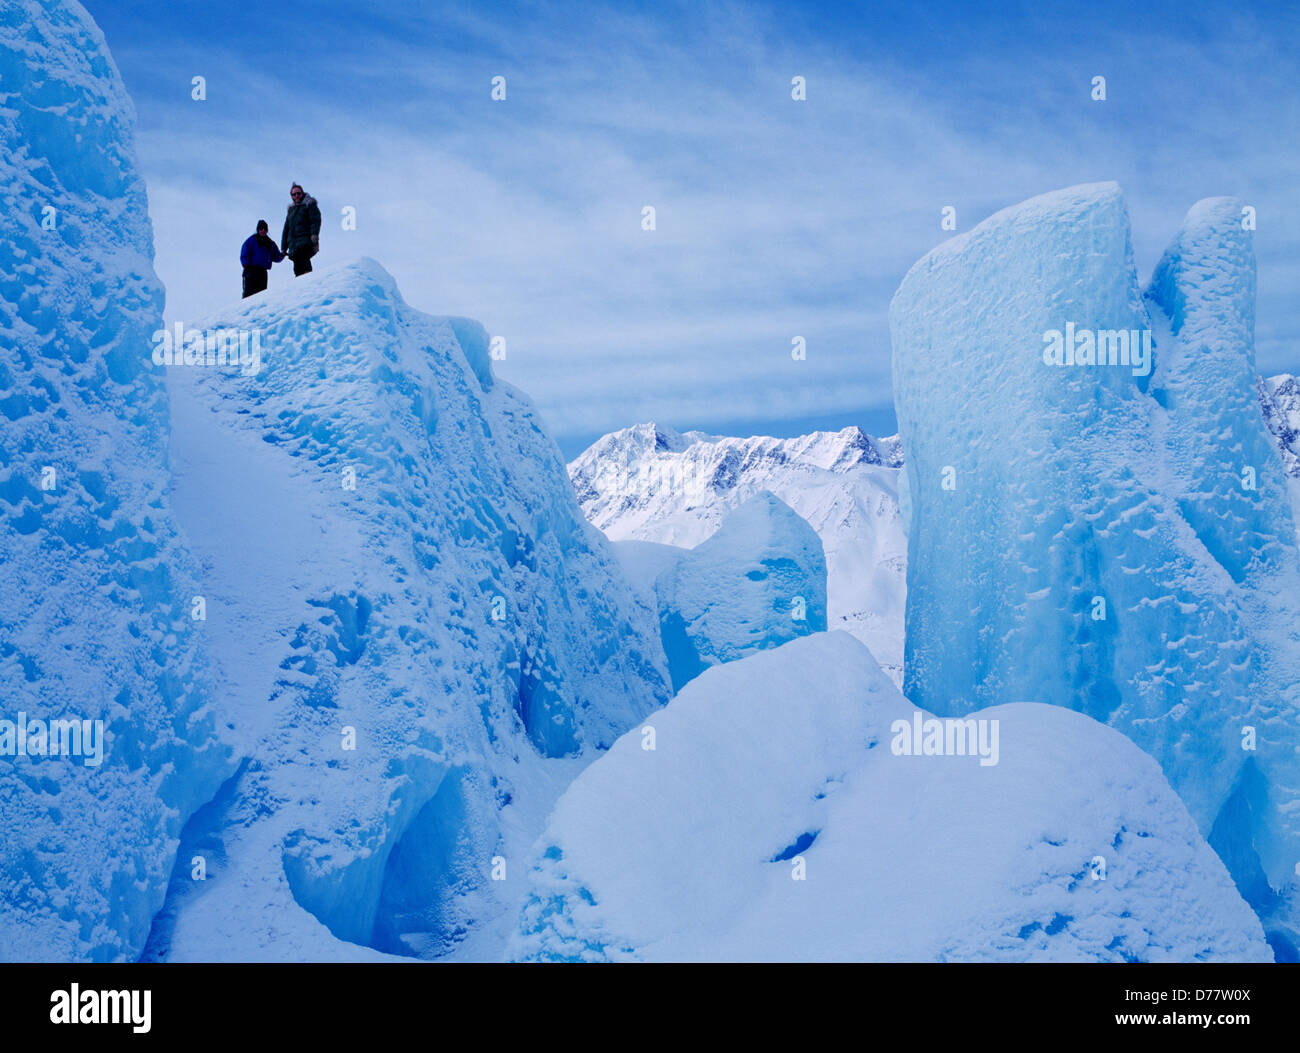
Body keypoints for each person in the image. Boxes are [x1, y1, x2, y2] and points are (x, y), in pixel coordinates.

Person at [281, 182, 321, 276]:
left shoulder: (309, 204)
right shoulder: (291, 210)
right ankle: (301, 288)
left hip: (305, 241)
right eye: (294, 194)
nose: (296, 196)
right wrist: (283, 248)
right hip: (293, 245)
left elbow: (315, 220)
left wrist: (314, 235)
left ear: (302, 193)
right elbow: (286, 229)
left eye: (298, 193)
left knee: (305, 263)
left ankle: (309, 286)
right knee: (297, 268)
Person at [239, 219, 285, 298]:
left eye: (265, 229)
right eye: (261, 228)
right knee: (248, 294)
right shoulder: (252, 240)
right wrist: (246, 266)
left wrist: (282, 255)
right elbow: (244, 253)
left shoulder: (270, 243)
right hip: (251, 270)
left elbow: (276, 257)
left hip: (263, 272)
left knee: (261, 294)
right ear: (258, 229)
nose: (263, 230)